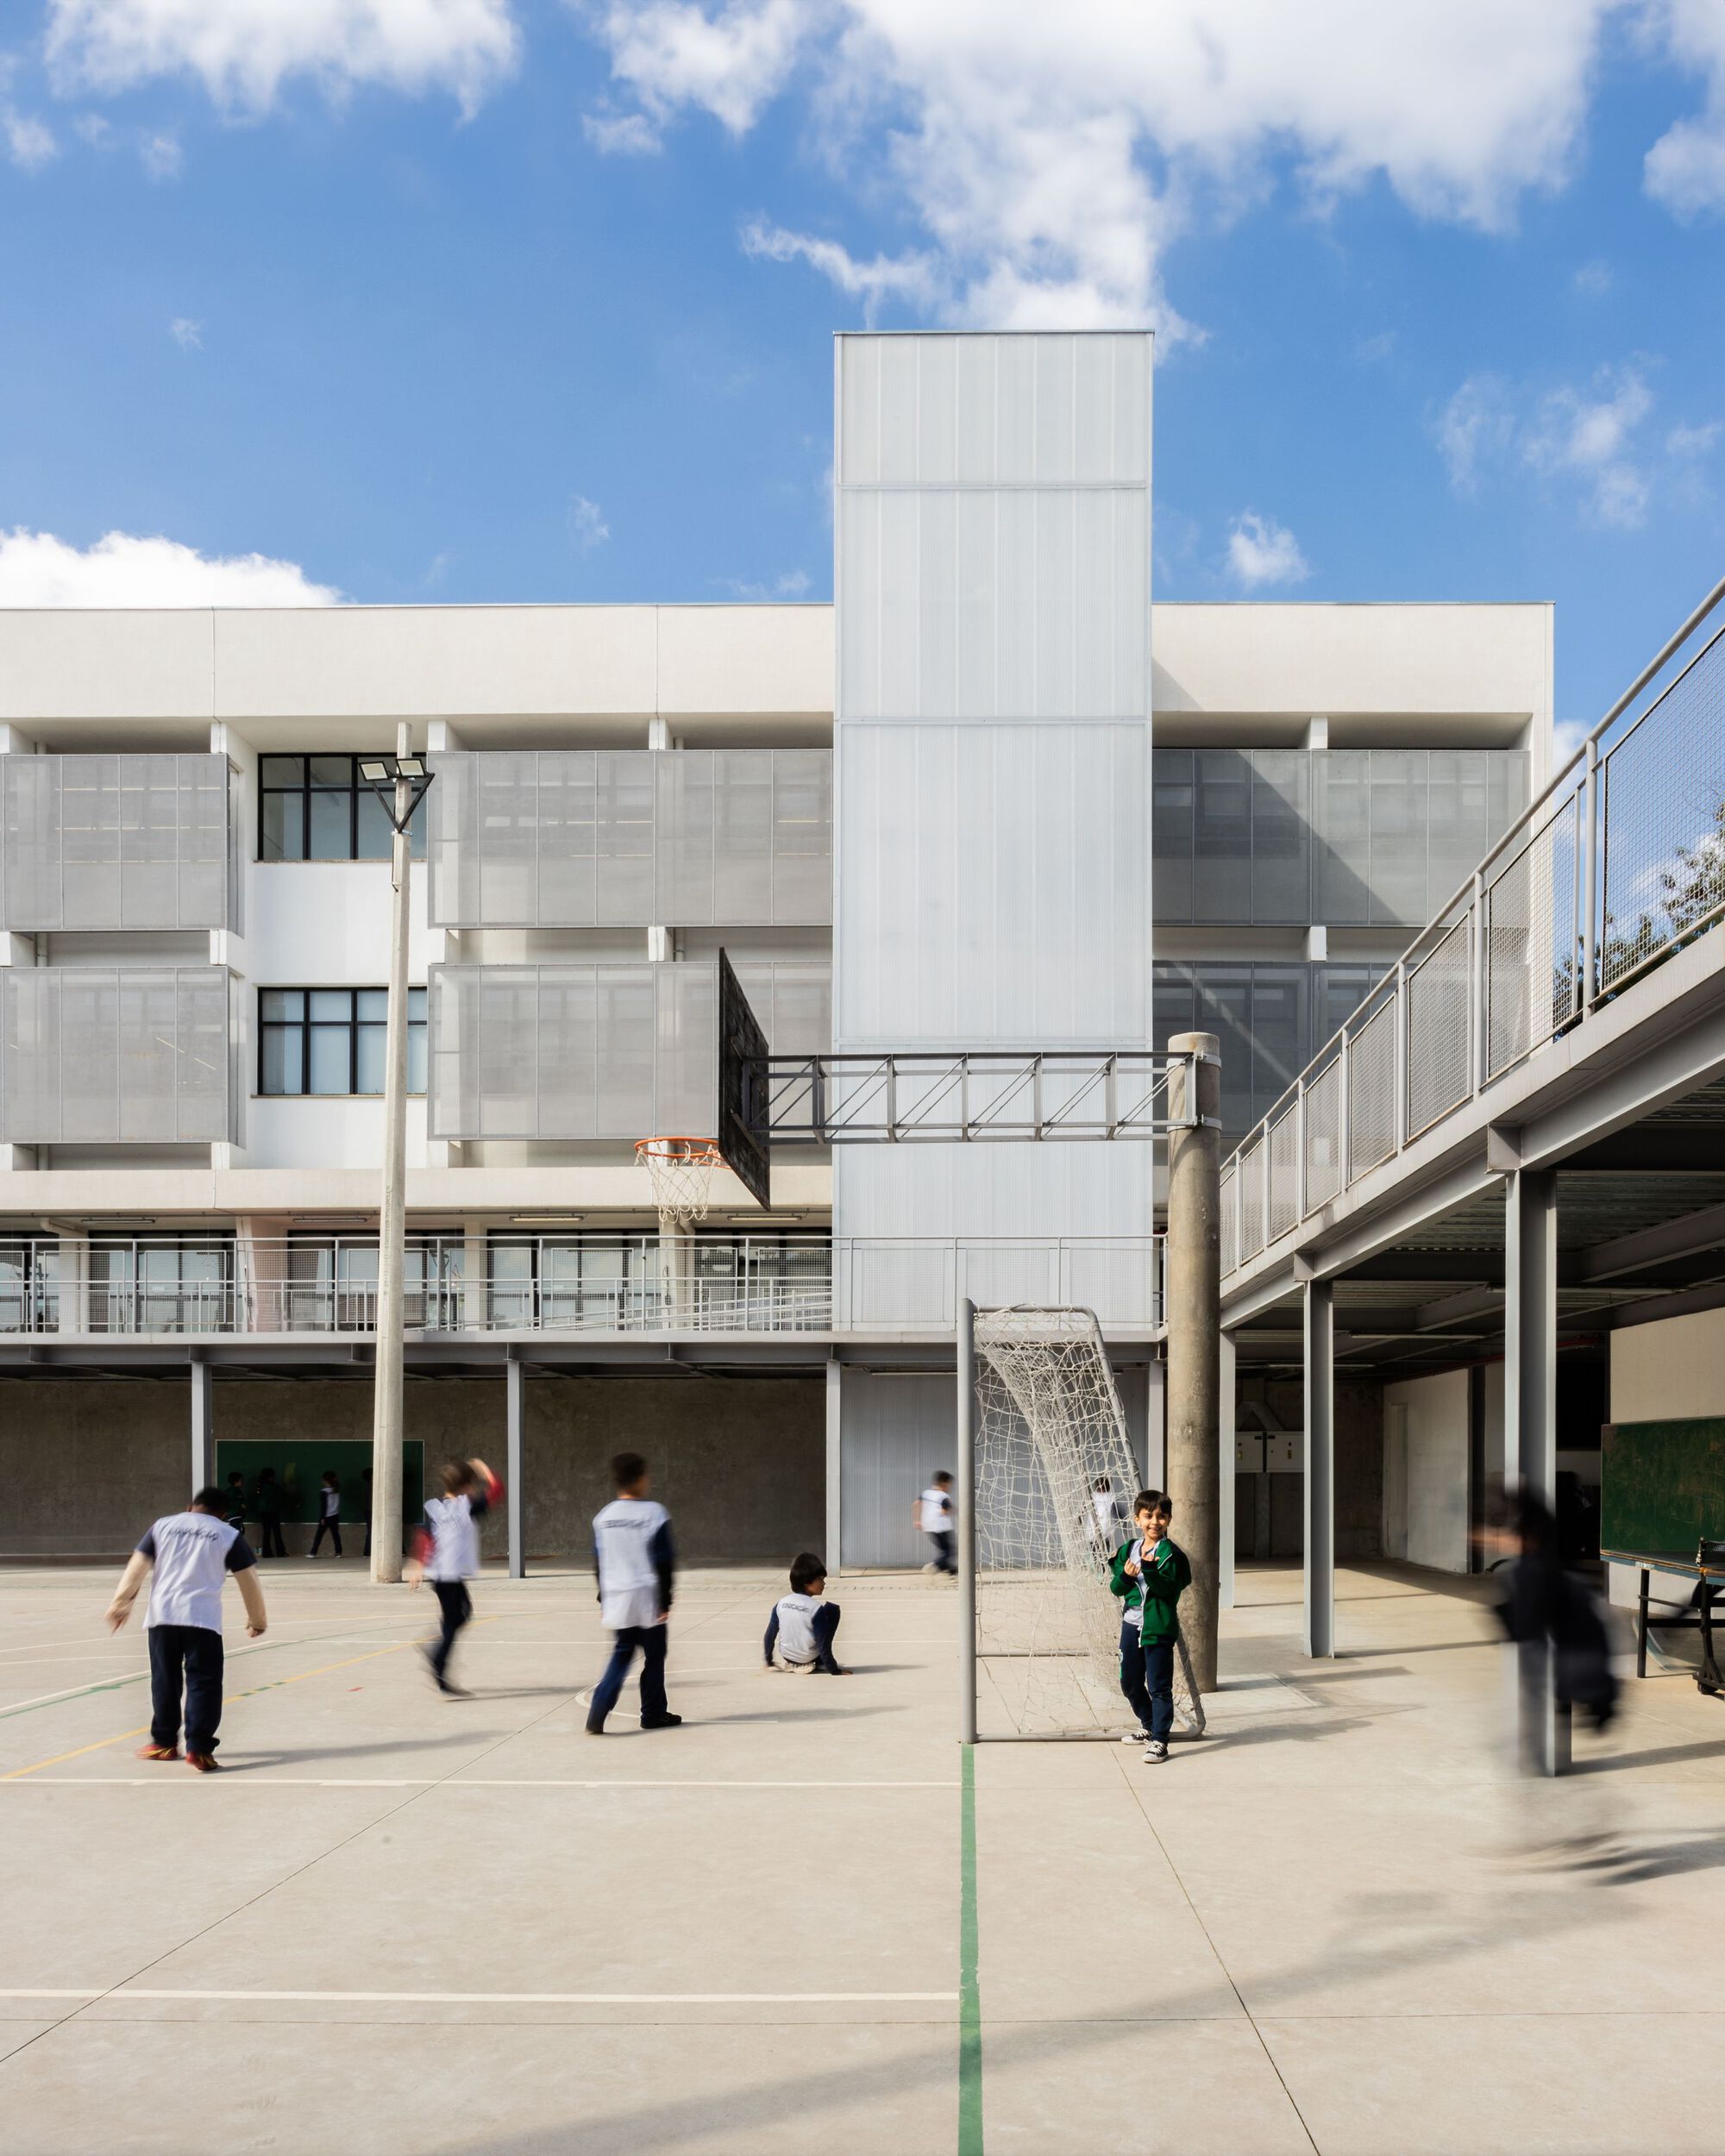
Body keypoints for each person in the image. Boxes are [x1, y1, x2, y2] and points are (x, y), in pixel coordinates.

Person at [104, 1483, 267, 1773]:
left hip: (162, 1617)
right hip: (201, 1619)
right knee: (203, 1683)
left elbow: (137, 1566)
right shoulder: (228, 1534)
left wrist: (120, 1604)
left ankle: (164, 1743)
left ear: (191, 1505)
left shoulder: (162, 1526)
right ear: (224, 1513)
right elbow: (248, 1579)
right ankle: (199, 1749)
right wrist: (257, 1619)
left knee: (165, 1681)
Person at [587, 1451, 681, 1736]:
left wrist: (603, 1597)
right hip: (646, 1595)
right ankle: (652, 1713)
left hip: (618, 1595)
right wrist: (665, 1600)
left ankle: (598, 1711)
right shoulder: (654, 1513)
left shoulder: (603, 1517)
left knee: (621, 1653)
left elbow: (598, 1562)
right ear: (640, 1479)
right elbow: (664, 1560)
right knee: (654, 1655)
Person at [1109, 1489, 1193, 1766]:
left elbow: (1169, 1590)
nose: (1154, 1522)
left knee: (1159, 1687)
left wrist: (1151, 1570)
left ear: (1169, 1520)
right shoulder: (1128, 1550)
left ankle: (1160, 1739)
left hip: (1158, 1628)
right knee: (1129, 1682)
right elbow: (1116, 1588)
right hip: (1131, 1627)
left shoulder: (1172, 1554)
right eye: (1148, 1516)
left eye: (1161, 1517)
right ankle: (1147, 1724)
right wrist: (1126, 1575)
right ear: (1137, 1519)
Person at [408, 1454, 501, 1697]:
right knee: (454, 1620)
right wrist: (483, 1468)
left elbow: (424, 1536)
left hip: (440, 1573)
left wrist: (417, 1564)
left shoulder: (435, 1507)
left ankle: (437, 1651)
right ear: (467, 1486)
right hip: (448, 1574)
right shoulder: (467, 1506)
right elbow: (497, 1490)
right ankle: (438, 1665)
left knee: (462, 1615)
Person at [764, 1552, 846, 1675]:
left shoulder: (781, 1603)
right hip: (809, 1657)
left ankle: (796, 1662)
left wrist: (769, 1660)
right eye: (820, 1579)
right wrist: (834, 1669)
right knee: (832, 1610)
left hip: (787, 1656)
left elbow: (770, 1635)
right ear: (806, 1582)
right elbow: (823, 1643)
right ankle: (819, 1662)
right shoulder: (816, 1609)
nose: (824, 1583)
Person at [916, 1470, 957, 1576]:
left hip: (928, 1527)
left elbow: (916, 1504)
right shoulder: (943, 1496)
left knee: (944, 1551)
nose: (949, 1488)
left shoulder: (926, 1493)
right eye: (949, 1485)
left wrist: (917, 1520)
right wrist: (953, 1510)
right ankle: (935, 1565)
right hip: (941, 1527)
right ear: (944, 1484)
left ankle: (952, 1572)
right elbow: (944, 1511)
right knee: (950, 1551)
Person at [255, 1468, 286, 1560]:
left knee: (266, 1533)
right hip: (273, 1512)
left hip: (263, 1513)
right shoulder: (274, 1487)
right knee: (277, 1532)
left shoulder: (260, 1487)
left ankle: (266, 1552)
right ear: (270, 1477)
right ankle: (280, 1552)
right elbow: (282, 1495)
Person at [310, 1470, 342, 1557]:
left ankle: (313, 1552)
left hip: (326, 1517)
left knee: (319, 1535)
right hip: (335, 1516)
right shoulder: (336, 1490)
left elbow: (324, 1506)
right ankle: (338, 1552)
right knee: (336, 1535)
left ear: (324, 1480)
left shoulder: (324, 1491)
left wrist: (322, 1518)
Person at [223, 1470, 248, 1538]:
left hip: (238, 1515)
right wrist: (240, 1505)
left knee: (240, 1532)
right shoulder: (231, 1491)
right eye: (241, 1480)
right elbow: (229, 1501)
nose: (242, 1482)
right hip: (234, 1516)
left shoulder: (238, 1491)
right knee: (237, 1534)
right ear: (235, 1482)